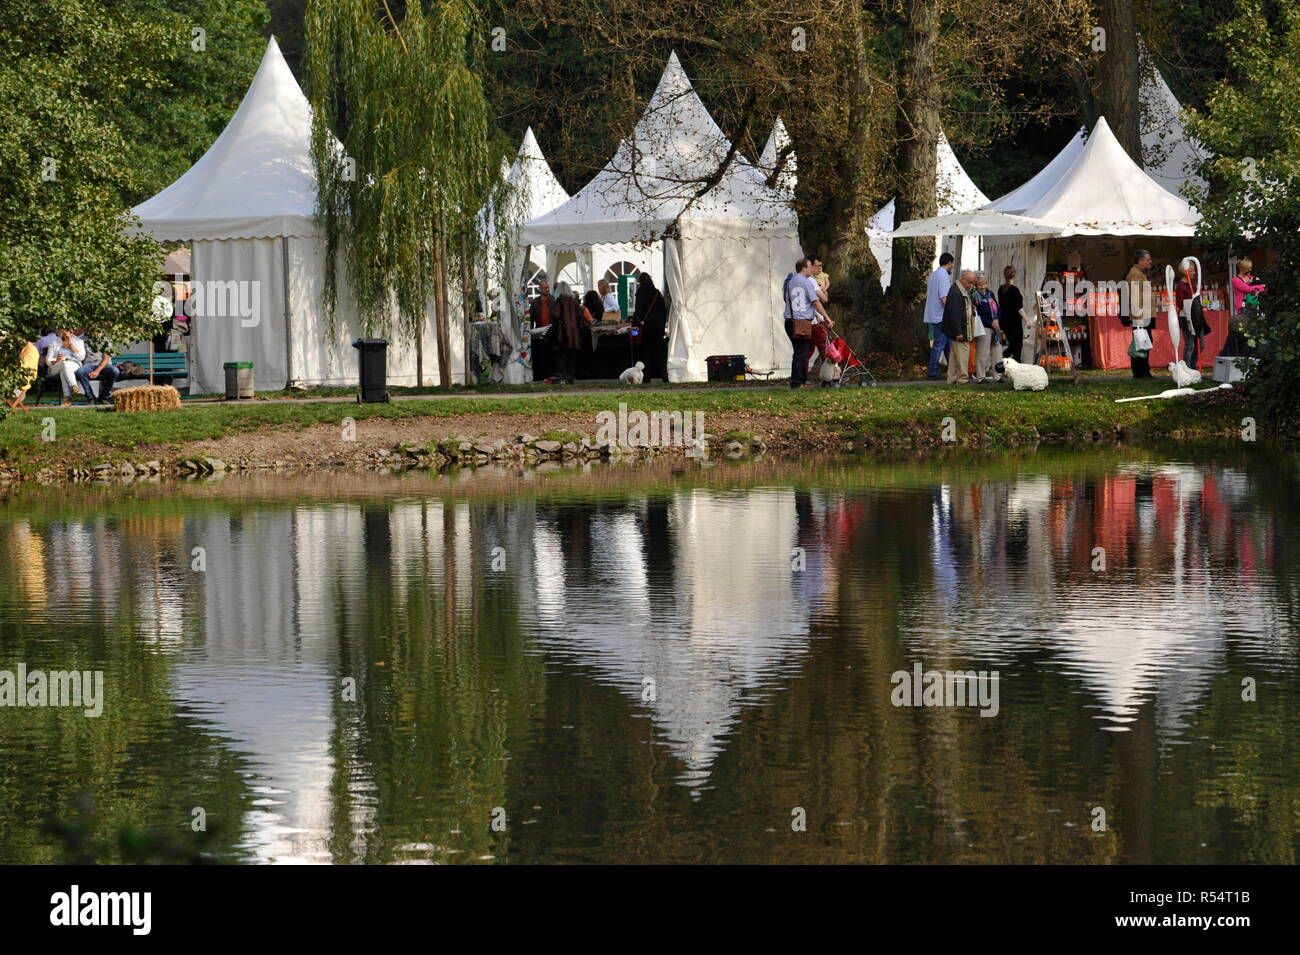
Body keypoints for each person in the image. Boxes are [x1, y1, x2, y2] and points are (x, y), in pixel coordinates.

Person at [783, 256, 831, 388]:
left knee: (800, 352)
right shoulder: (806, 282)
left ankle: (801, 381)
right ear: (803, 268)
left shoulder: (790, 281)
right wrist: (826, 317)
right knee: (801, 354)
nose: (812, 269)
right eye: (810, 267)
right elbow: (815, 302)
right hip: (801, 322)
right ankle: (797, 383)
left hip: (789, 321)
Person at [1121, 249, 1156, 378]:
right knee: (1142, 343)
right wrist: (1139, 317)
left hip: (1143, 314)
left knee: (1143, 342)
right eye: (1148, 259)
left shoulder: (1139, 273)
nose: (1150, 262)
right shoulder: (1136, 274)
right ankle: (1141, 372)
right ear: (1140, 261)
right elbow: (1135, 297)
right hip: (1141, 316)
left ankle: (1142, 371)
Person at [941, 269, 978, 384]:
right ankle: (962, 378)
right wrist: (958, 332)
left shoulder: (958, 289)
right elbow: (954, 314)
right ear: (963, 279)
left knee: (954, 357)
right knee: (962, 356)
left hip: (960, 329)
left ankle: (951, 379)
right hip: (960, 331)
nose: (971, 285)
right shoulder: (956, 292)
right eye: (970, 282)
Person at [550, 283, 592, 385]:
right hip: (574, 334)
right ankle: (571, 377)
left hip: (562, 333)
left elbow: (555, 316)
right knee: (571, 356)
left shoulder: (558, 302)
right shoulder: (575, 302)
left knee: (558, 354)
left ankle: (564, 375)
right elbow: (580, 317)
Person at [633, 272, 669, 383]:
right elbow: (663, 312)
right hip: (658, 328)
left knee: (646, 353)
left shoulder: (641, 293)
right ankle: (664, 375)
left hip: (646, 328)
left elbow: (639, 310)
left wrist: (636, 324)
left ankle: (647, 377)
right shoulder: (658, 294)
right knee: (658, 353)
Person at [924, 253, 955, 379]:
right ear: (949, 262)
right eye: (952, 263)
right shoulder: (943, 277)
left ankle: (953, 368)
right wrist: (952, 313)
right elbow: (944, 298)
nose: (952, 266)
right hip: (940, 315)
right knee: (940, 343)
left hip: (933, 313)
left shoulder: (933, 275)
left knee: (947, 343)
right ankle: (933, 371)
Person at [971, 272, 1002, 382]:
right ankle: (980, 377)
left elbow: (997, 308)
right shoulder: (975, 296)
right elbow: (979, 313)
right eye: (980, 285)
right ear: (976, 285)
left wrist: (997, 319)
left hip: (995, 327)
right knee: (982, 353)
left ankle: (997, 375)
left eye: (984, 284)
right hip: (984, 327)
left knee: (997, 351)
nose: (982, 287)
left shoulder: (991, 294)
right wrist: (991, 322)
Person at [527, 279, 559, 381]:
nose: (547, 289)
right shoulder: (535, 302)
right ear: (540, 289)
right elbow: (531, 319)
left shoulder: (554, 300)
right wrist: (530, 332)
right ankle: (541, 375)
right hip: (539, 331)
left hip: (552, 331)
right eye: (545, 288)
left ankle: (552, 374)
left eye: (548, 287)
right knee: (541, 354)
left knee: (551, 354)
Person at [45, 330, 86, 406]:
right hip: (56, 366)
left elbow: (81, 357)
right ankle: (74, 386)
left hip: (74, 364)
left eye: (67, 334)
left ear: (71, 333)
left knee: (64, 370)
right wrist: (56, 360)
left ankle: (67, 398)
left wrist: (70, 345)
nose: (64, 336)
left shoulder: (78, 341)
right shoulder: (54, 342)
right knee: (64, 364)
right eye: (63, 334)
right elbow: (48, 361)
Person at [75, 340, 121, 405]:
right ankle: (90, 397)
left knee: (115, 371)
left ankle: (104, 397)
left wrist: (97, 371)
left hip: (105, 365)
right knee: (80, 372)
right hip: (89, 365)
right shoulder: (82, 339)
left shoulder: (105, 339)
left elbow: (106, 358)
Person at [996, 265, 1027, 364]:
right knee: (1017, 346)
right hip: (1014, 322)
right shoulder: (1014, 290)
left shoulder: (1000, 289)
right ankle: (1001, 360)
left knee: (1013, 345)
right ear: (1014, 275)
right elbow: (1019, 308)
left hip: (1004, 322)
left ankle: (1002, 361)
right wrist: (1027, 320)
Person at [6, 340, 40, 412]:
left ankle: (12, 407)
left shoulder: (31, 351)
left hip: (17, 384)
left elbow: (26, 369)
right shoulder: (14, 349)